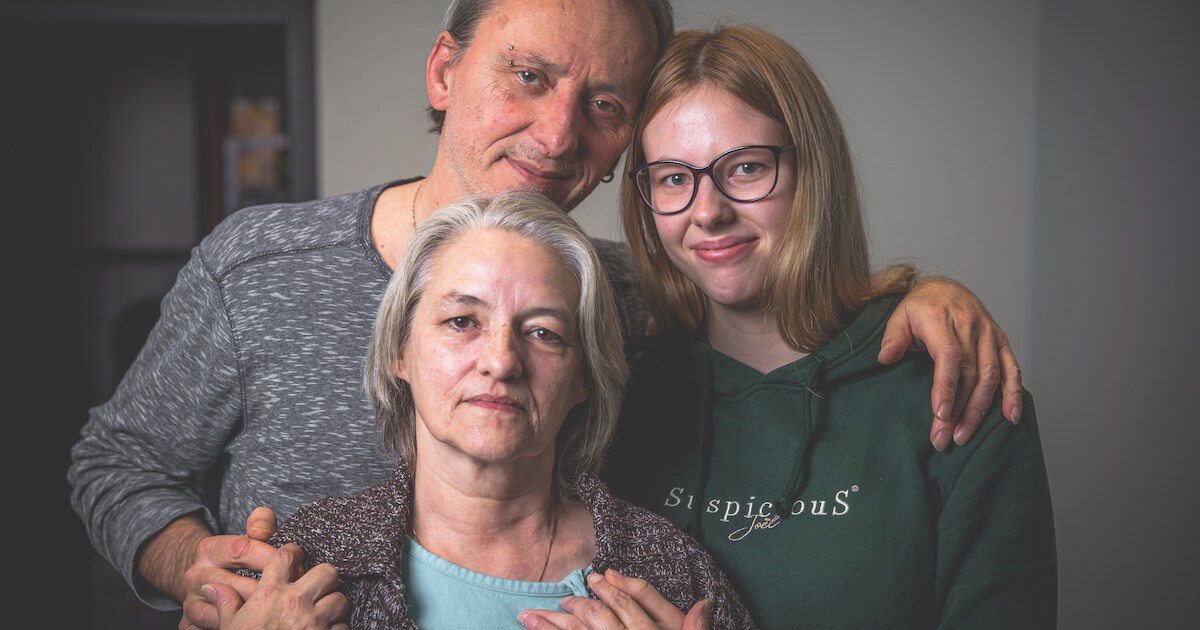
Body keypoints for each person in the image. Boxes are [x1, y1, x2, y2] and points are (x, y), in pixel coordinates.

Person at [67, 1, 1021, 627]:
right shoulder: (257, 266)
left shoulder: (634, 297)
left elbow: (770, 290)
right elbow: (115, 462)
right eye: (529, 76)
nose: (560, 134)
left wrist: (915, 298)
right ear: (444, 71)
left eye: (605, 105)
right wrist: (200, 570)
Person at [575, 25, 1056, 629]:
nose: (708, 211)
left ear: (813, 170)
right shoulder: (614, 396)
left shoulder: (956, 391)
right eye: (674, 177)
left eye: (746, 168)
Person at [207, 192, 755, 629]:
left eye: (544, 332)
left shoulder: (674, 574)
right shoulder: (296, 566)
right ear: (400, 351)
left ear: (585, 378)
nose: (501, 361)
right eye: (462, 321)